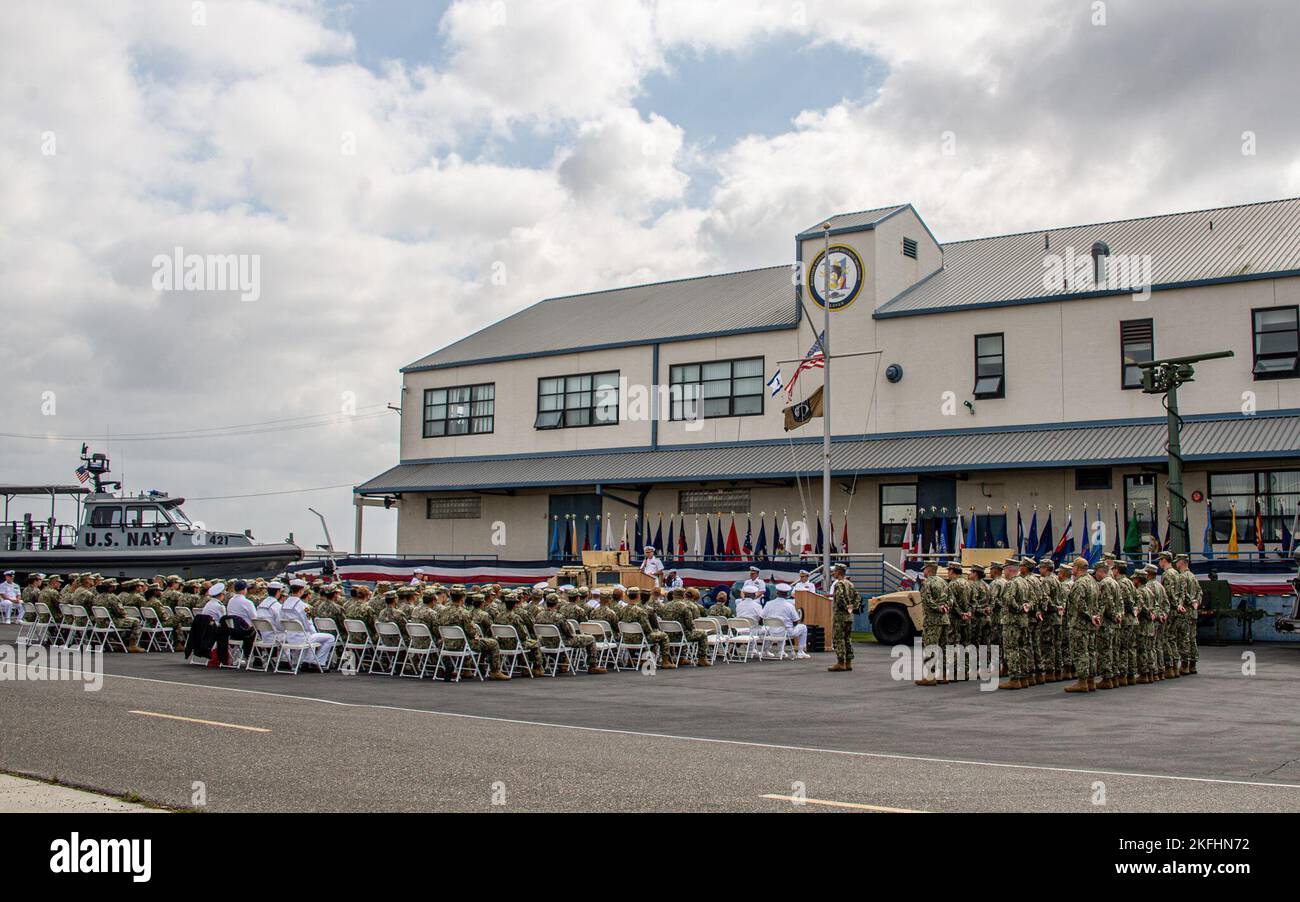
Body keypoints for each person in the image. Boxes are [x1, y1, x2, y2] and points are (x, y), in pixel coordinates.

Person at [1063, 557, 1101, 693]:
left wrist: (1089, 616)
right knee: (1091, 652)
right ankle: (1091, 681)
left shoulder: (1080, 583)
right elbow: (1098, 603)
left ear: (1077, 568)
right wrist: (1095, 617)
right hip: (1090, 625)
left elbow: (1080, 605)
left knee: (1080, 652)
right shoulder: (1093, 582)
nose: (1072, 569)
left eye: (1073, 566)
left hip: (1080, 624)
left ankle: (1082, 681)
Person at [280, 581, 335, 669]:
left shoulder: (283, 605)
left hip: (289, 637)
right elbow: (309, 624)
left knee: (311, 637)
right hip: (303, 637)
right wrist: (314, 633)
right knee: (330, 638)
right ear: (301, 591)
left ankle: (307, 661)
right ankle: (317, 662)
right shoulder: (304, 606)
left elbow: (281, 620)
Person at [916, 561, 949, 685]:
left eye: (924, 569)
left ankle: (930, 677)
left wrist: (938, 608)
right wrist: (945, 607)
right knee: (943, 648)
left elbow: (927, 601)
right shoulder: (944, 582)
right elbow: (950, 598)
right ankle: (943, 675)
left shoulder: (927, 583)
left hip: (932, 620)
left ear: (928, 570)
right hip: (944, 620)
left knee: (930, 648)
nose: (923, 571)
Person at [216, 579, 258, 666]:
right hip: (246, 632)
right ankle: (257, 658)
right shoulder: (247, 602)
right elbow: (255, 618)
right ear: (244, 590)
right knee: (260, 631)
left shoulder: (231, 601)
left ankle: (239, 654)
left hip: (232, 631)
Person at [826, 563, 859, 672]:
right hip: (849, 617)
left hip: (840, 617)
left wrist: (846, 607)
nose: (833, 573)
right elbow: (857, 597)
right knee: (847, 639)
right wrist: (852, 608)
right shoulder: (850, 584)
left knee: (838, 639)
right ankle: (848, 663)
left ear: (839, 572)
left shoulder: (838, 584)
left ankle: (841, 663)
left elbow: (840, 598)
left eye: (834, 571)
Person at [762, 583, 809, 658]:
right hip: (785, 632)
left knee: (780, 627)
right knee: (803, 627)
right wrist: (791, 626)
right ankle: (800, 652)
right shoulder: (789, 606)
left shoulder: (768, 604)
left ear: (777, 592)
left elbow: (762, 617)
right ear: (787, 594)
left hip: (770, 631)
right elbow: (796, 620)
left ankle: (777, 651)